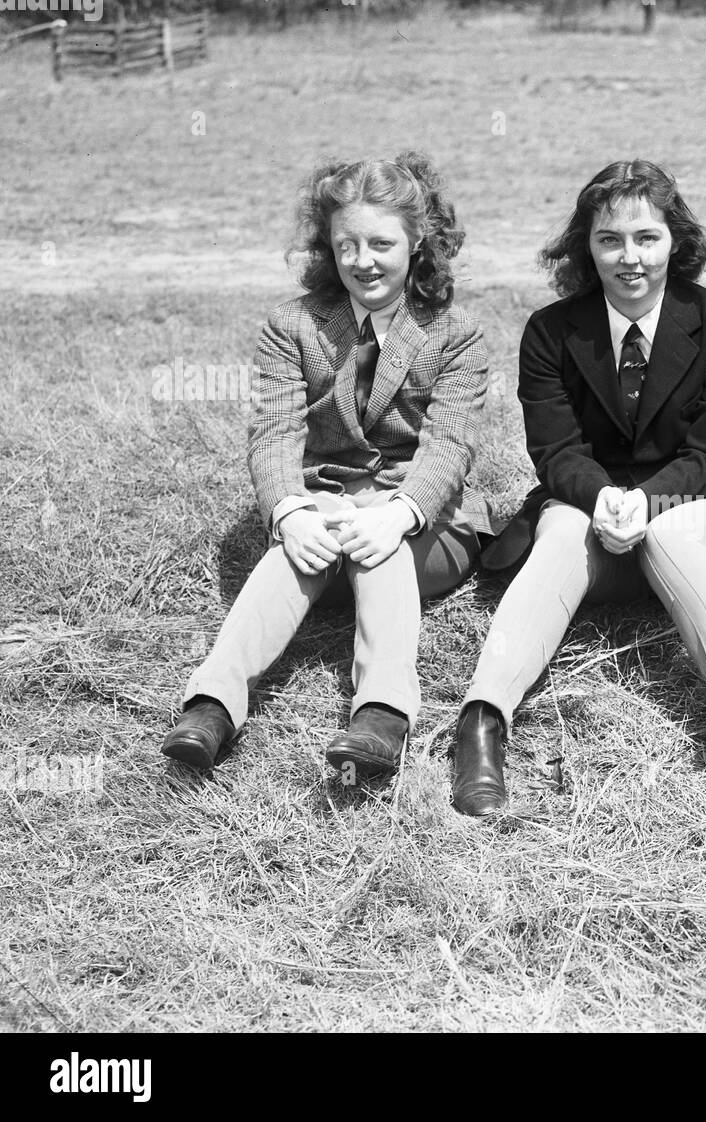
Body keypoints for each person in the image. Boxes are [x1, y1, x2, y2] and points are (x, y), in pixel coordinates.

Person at [457, 160, 706, 824]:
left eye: (648, 238)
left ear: (677, 241)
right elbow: (555, 452)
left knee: (670, 531)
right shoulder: (552, 332)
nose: (629, 257)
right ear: (587, 245)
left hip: (702, 508)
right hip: (592, 514)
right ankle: (481, 722)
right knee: (557, 530)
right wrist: (606, 499)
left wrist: (647, 503)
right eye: (610, 239)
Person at [161, 152, 492, 779]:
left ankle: (383, 714)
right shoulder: (293, 325)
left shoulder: (457, 334)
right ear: (328, 245)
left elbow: (450, 447)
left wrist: (397, 513)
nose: (363, 260)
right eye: (347, 244)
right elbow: (274, 434)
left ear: (418, 241)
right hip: (324, 520)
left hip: (427, 530)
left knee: (379, 538)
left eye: (381, 243)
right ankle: (210, 707)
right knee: (308, 534)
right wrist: (288, 513)